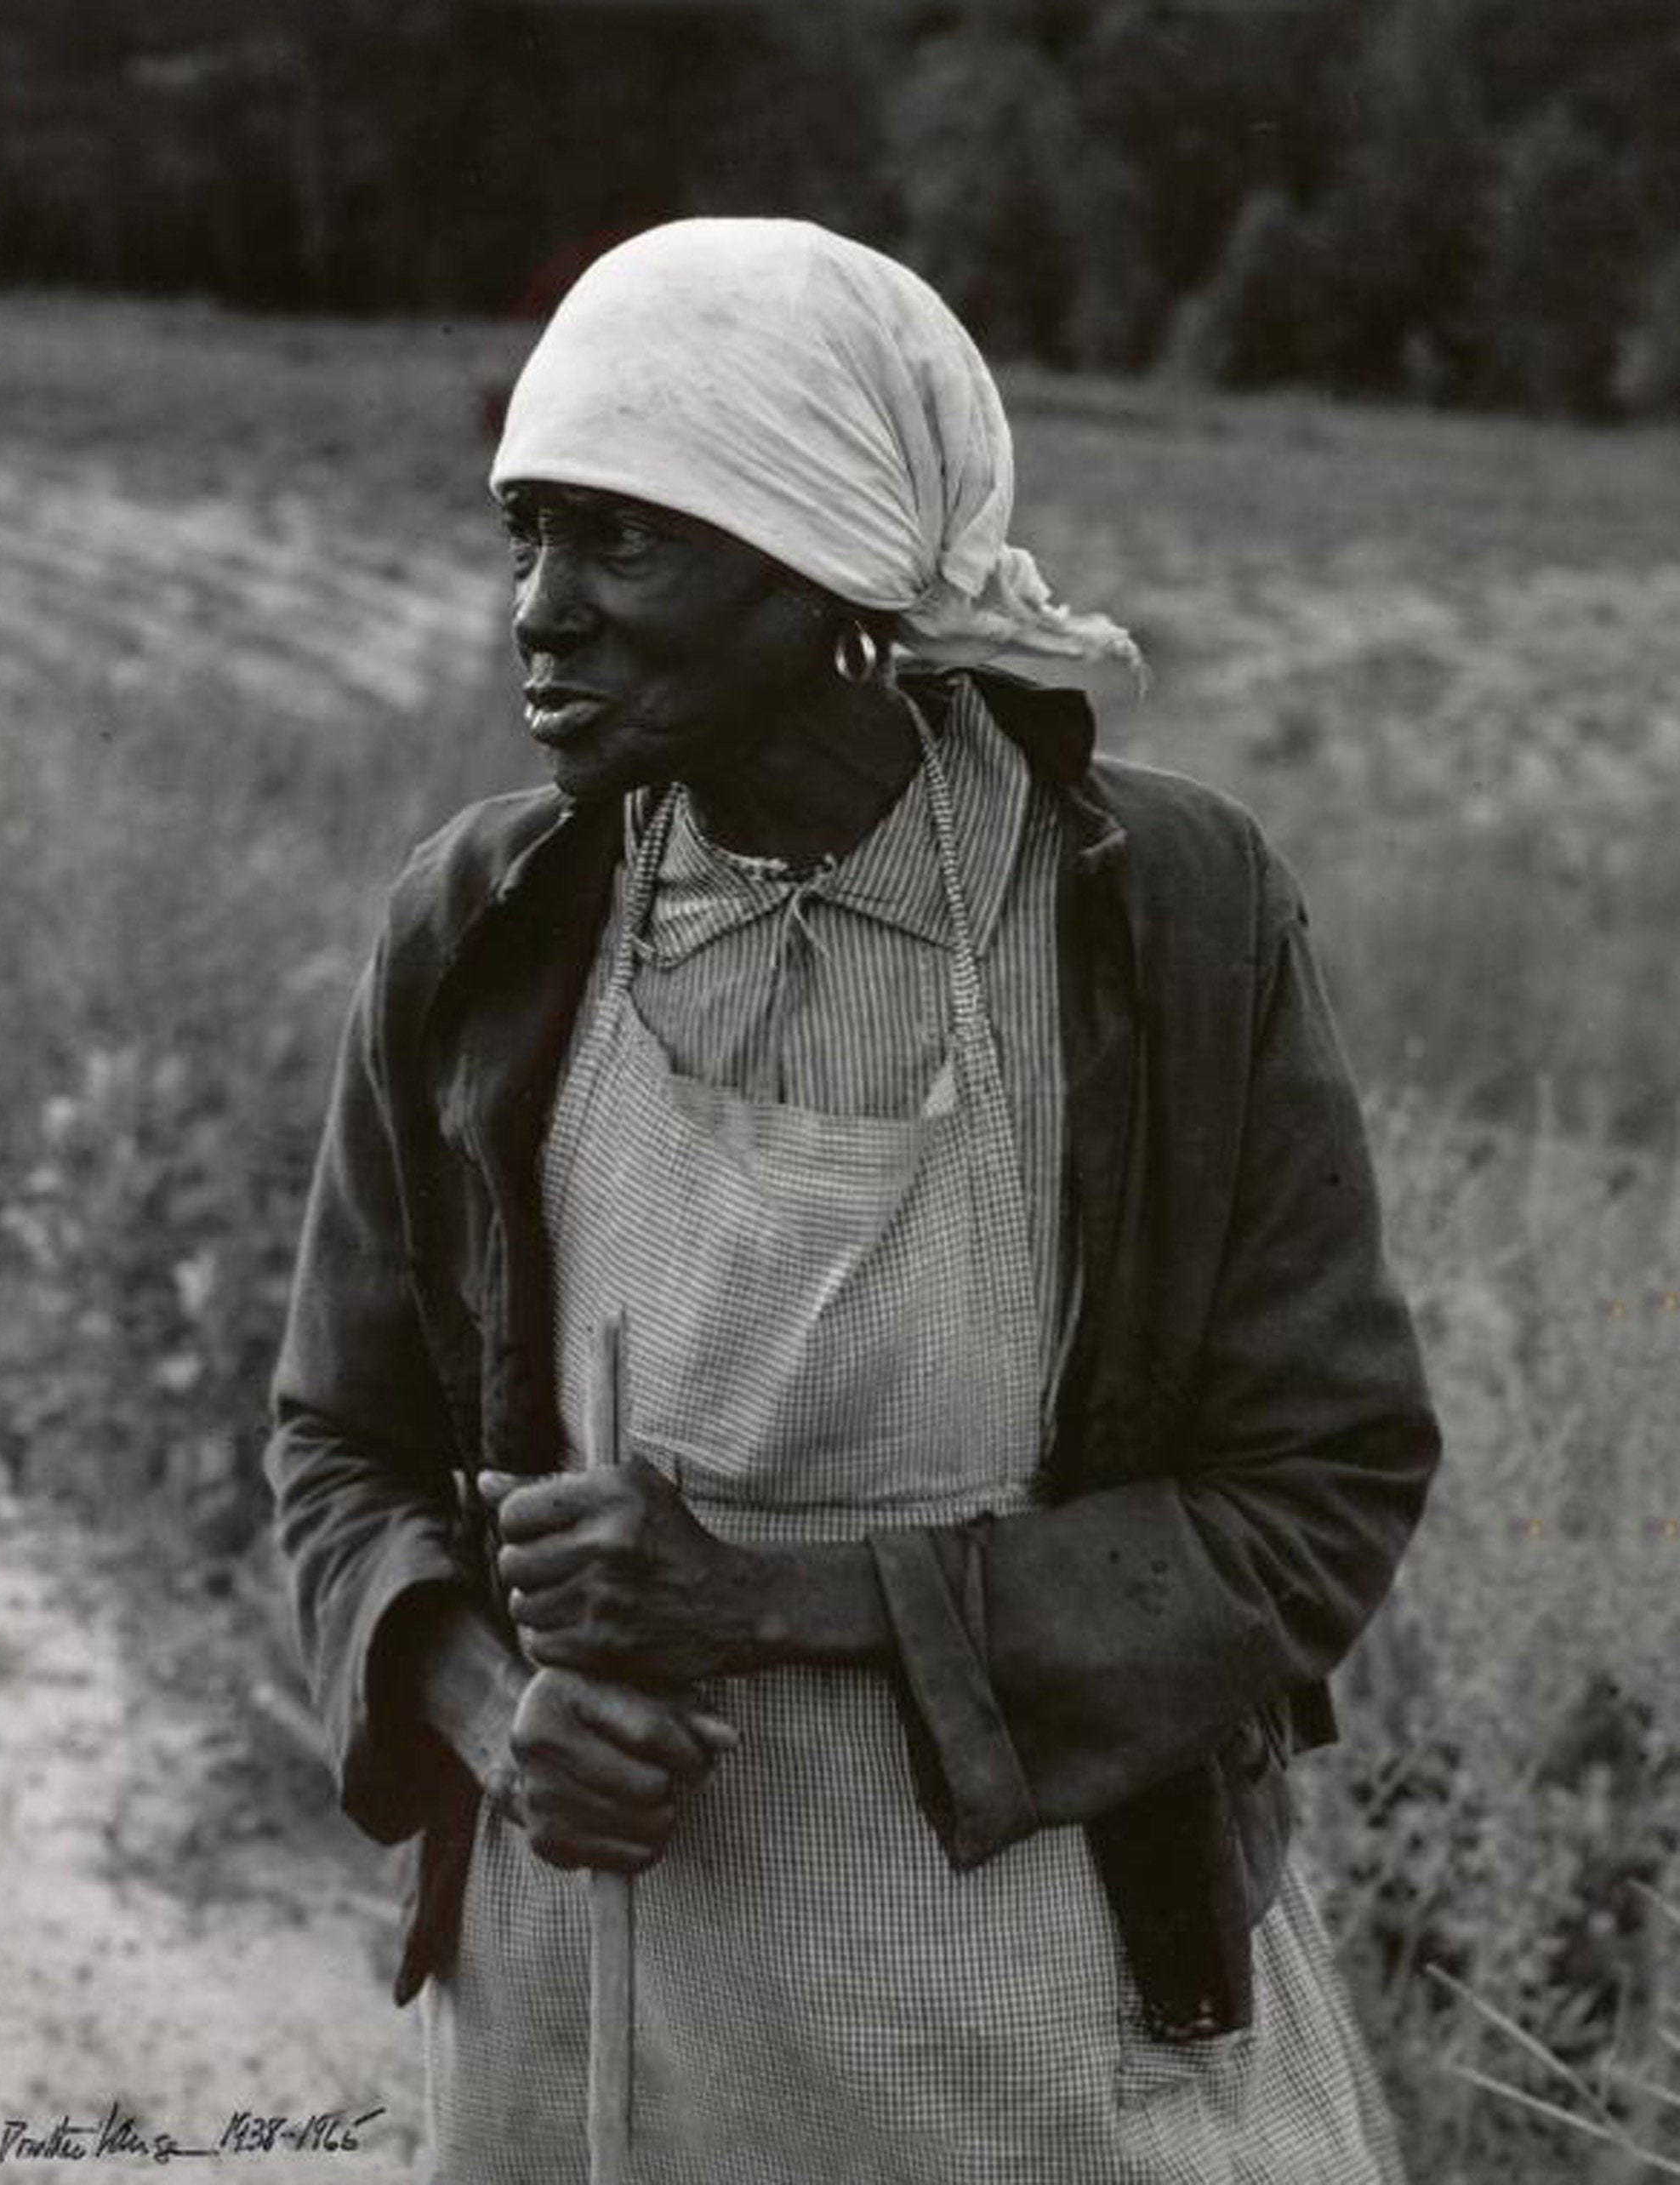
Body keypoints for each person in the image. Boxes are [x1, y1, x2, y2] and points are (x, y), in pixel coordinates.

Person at [266, 218, 1439, 2185]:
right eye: (525, 534)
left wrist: (767, 1601)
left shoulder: (1157, 923)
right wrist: (488, 1711)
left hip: (1040, 2028)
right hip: (586, 2019)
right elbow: (338, 1443)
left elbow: (1318, 1495)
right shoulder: (485, 930)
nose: (540, 613)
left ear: (823, 571)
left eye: (623, 542)